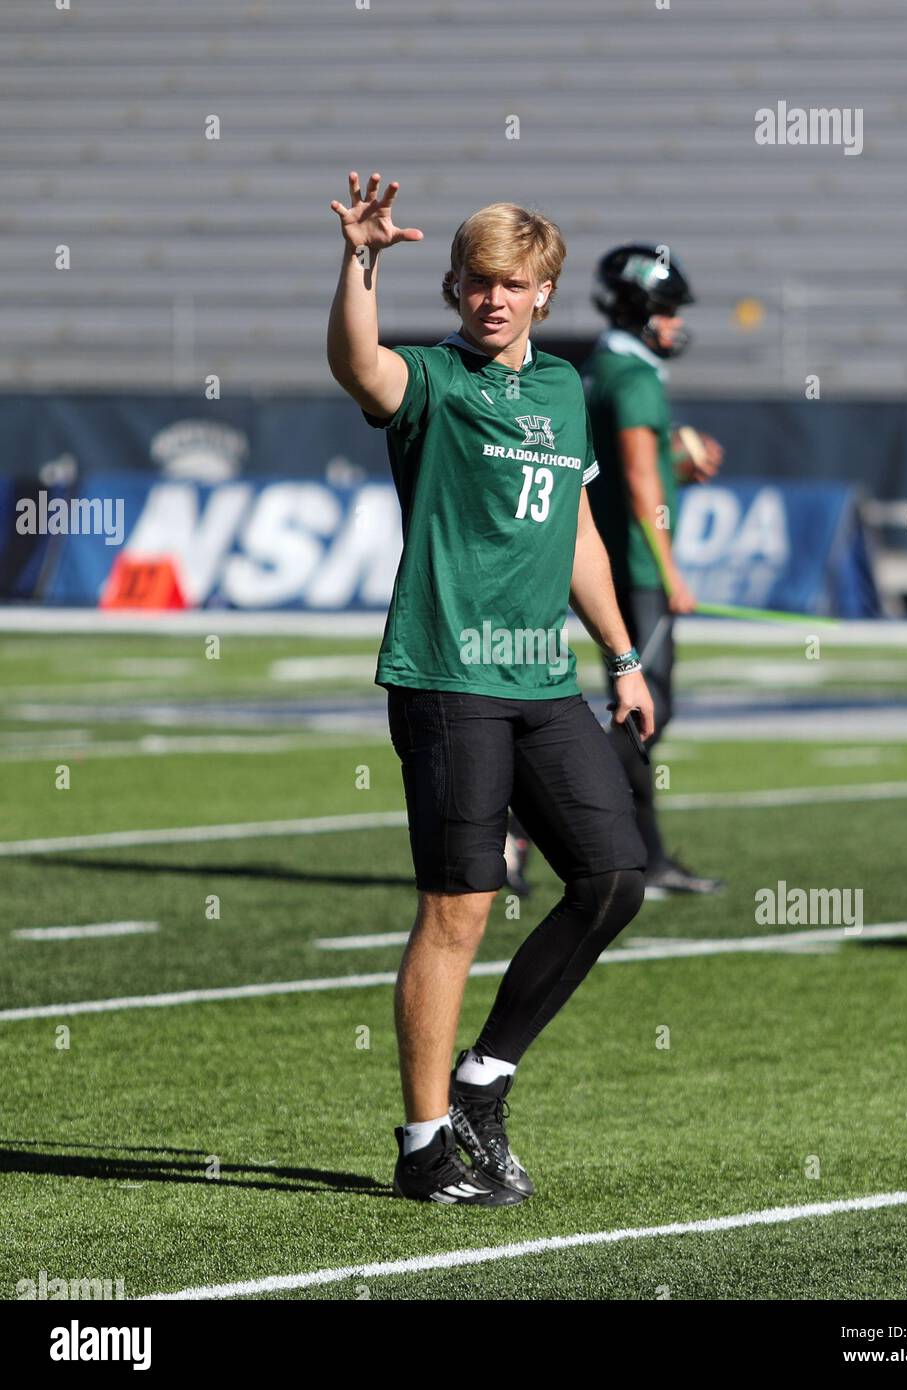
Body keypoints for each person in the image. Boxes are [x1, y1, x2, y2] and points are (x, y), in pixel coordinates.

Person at [327, 173, 654, 1205]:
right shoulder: (431, 379)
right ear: (454, 288)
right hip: (446, 675)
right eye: (475, 282)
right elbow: (358, 367)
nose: (493, 299)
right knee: (457, 909)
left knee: (611, 878)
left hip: (542, 678)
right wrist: (357, 261)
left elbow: (578, 540)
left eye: (511, 283)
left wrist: (623, 656)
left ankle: (484, 1076)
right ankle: (424, 1148)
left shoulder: (562, 391)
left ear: (546, 291)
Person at [506, 244, 726, 902]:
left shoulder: (603, 367)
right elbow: (634, 481)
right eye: (663, 310)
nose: (672, 323)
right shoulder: (635, 379)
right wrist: (670, 572)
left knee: (645, 717)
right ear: (638, 311)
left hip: (614, 559)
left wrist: (674, 466)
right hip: (634, 566)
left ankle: (648, 855)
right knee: (644, 712)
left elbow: (633, 469)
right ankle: (519, 826)